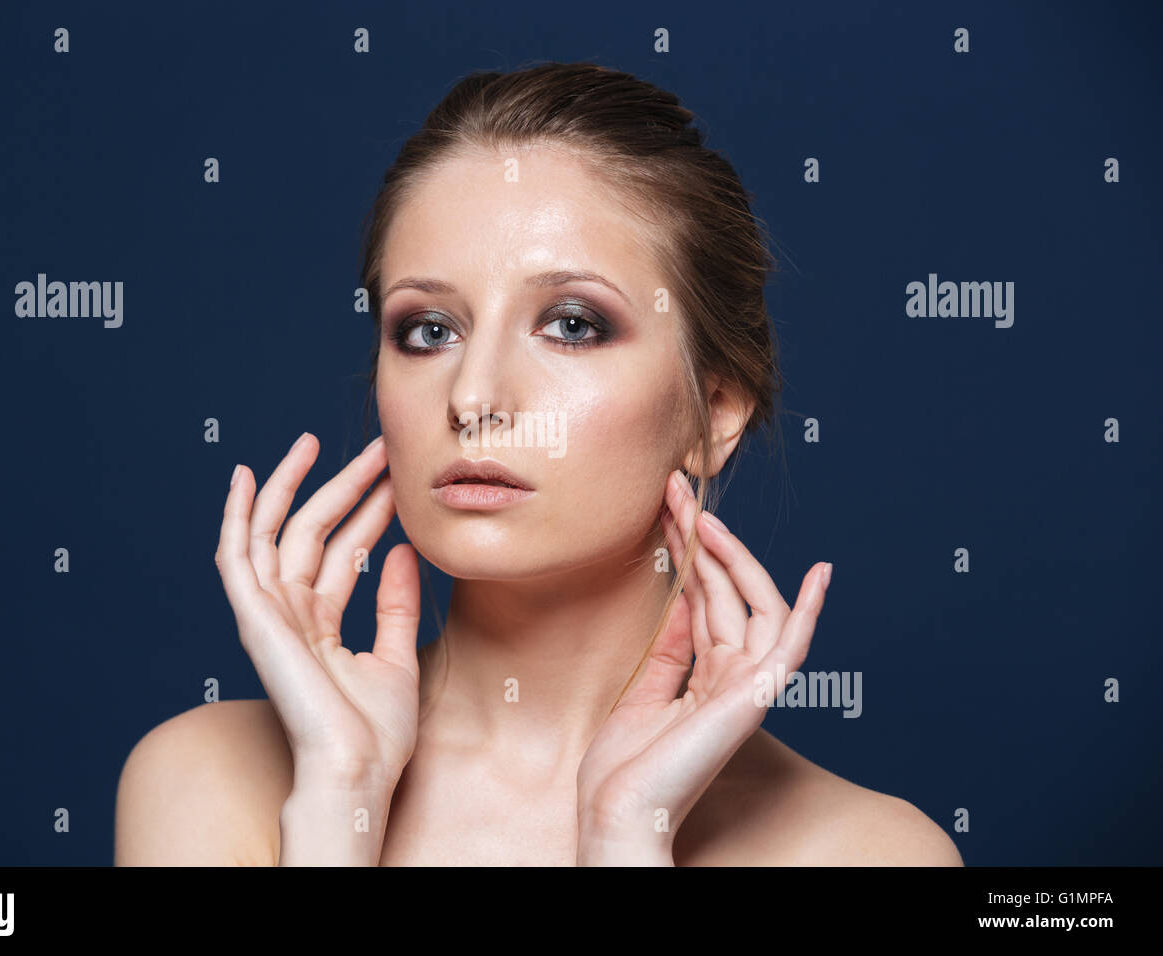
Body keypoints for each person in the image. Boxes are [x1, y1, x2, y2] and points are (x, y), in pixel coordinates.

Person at [114, 61, 963, 866]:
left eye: (571, 325)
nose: (473, 396)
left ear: (716, 412)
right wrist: (339, 804)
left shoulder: (865, 851)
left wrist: (627, 840)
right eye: (429, 331)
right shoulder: (207, 779)